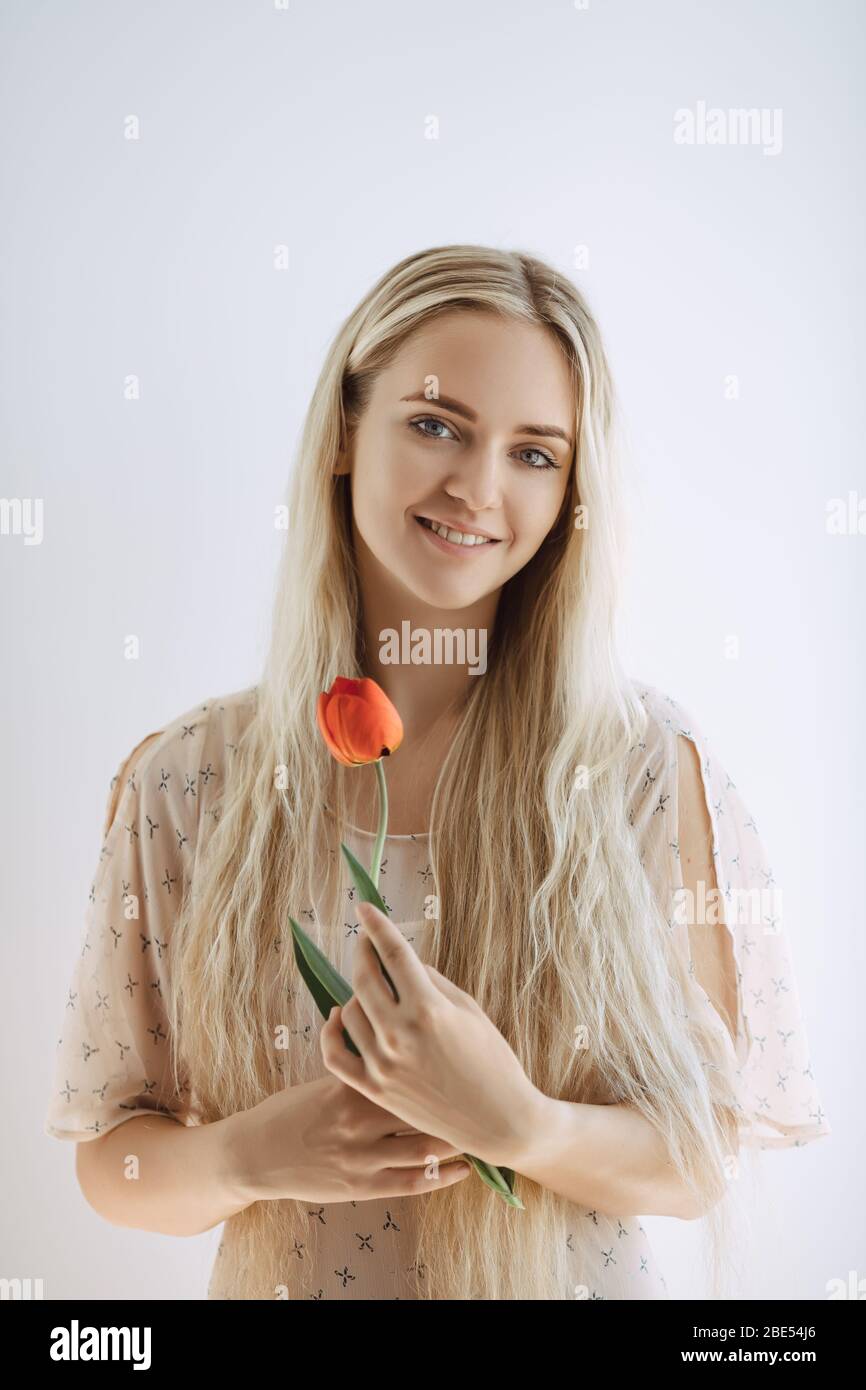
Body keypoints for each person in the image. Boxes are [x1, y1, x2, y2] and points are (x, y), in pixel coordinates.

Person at [44, 245, 830, 1300]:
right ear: (342, 433)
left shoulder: (639, 768)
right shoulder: (188, 779)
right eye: (433, 425)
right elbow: (112, 1152)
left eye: (534, 454)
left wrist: (520, 1124)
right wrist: (247, 1157)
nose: (477, 486)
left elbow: (699, 1155)